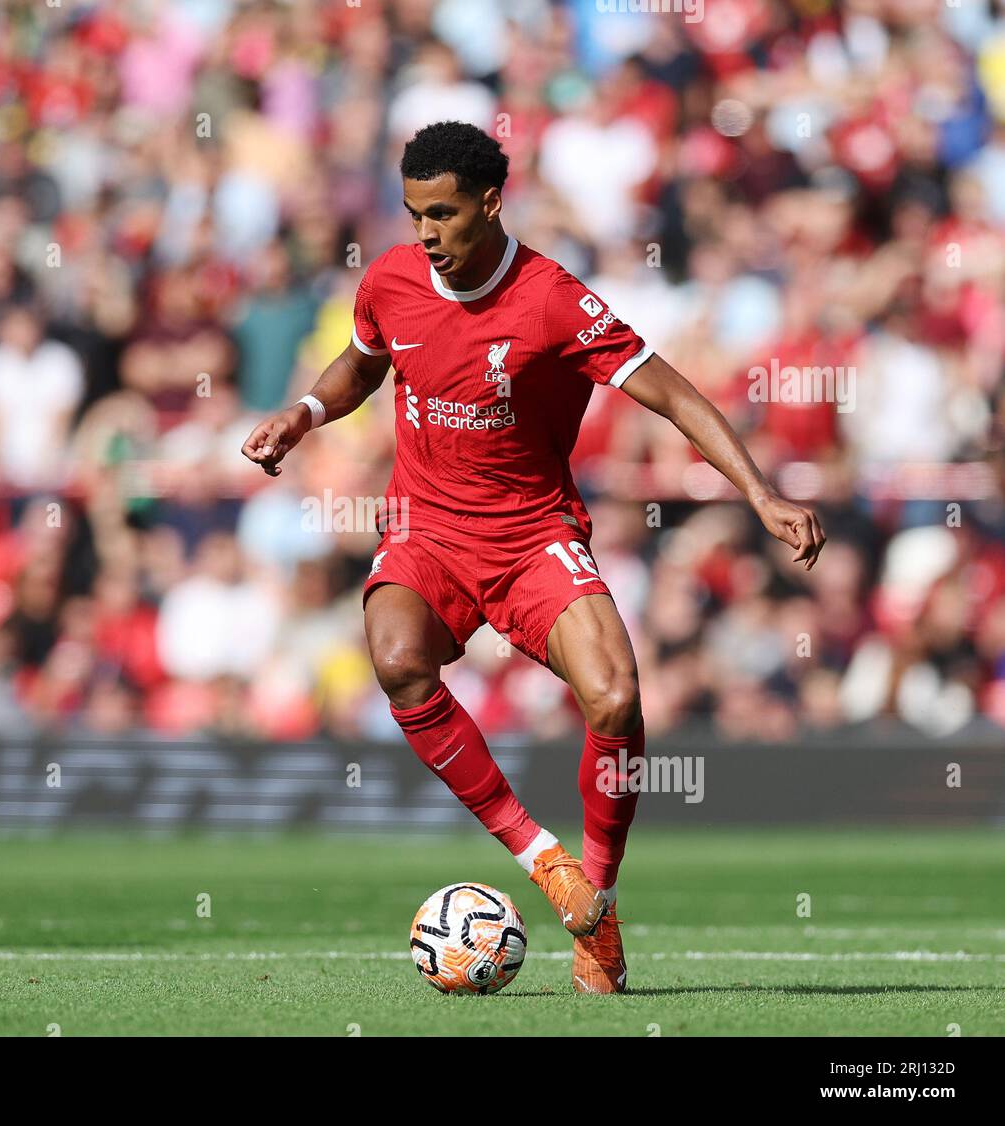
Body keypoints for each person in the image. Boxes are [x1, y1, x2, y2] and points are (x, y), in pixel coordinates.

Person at [240, 121, 826, 993]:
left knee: (619, 697)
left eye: (443, 214)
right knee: (398, 660)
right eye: (413, 215)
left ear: (490, 201)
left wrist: (760, 492)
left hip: (532, 537)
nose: (427, 234)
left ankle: (602, 910)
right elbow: (364, 363)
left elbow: (673, 392)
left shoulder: (552, 299)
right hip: (427, 530)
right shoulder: (392, 279)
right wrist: (306, 413)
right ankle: (542, 858)